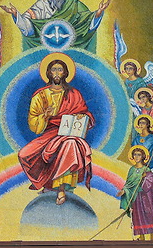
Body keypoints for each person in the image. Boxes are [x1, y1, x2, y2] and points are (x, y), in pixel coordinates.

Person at [16, 53, 94, 205]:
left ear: (65, 73)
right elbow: (33, 124)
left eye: (60, 70)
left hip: (70, 134)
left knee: (69, 145)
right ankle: (47, 183)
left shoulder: (74, 93)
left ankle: (61, 189)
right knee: (24, 154)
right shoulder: (41, 96)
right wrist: (45, 115)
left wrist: (81, 117)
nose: (57, 73)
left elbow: (86, 114)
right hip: (49, 133)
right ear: (48, 73)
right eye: (54, 70)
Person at [0, 0, 110, 52]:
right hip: (45, 51)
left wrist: (98, 13)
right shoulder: (41, 4)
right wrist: (15, 14)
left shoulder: (74, 4)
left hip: (70, 51)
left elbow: (86, 23)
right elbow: (28, 28)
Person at [119, 146, 153, 240]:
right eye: (135, 155)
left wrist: (145, 177)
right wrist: (124, 190)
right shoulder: (132, 170)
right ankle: (142, 236)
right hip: (135, 198)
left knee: (148, 214)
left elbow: (150, 182)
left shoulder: (146, 170)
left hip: (145, 197)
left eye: (139, 155)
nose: (136, 157)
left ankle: (152, 236)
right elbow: (129, 184)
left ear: (143, 156)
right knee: (138, 216)